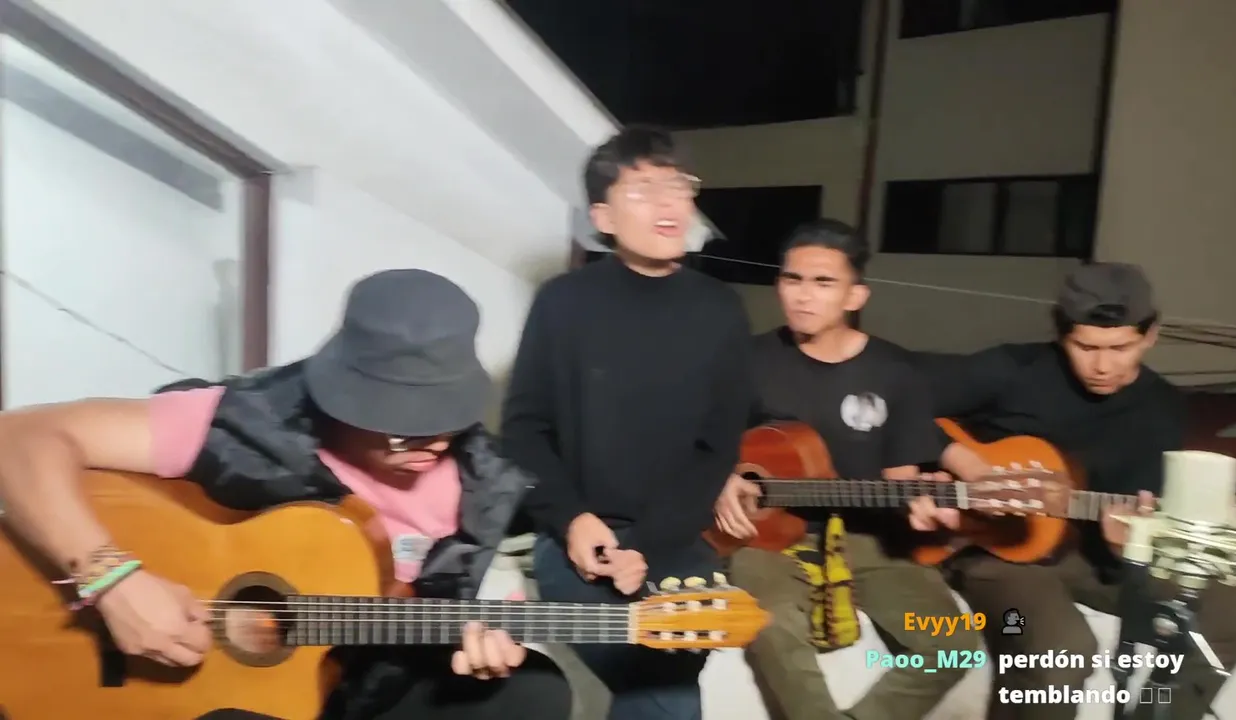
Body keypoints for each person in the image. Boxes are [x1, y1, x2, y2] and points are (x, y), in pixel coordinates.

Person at [0, 269, 572, 720]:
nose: (432, 443)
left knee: (532, 692)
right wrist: (113, 581)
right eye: (402, 426)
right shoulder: (246, 420)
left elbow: (440, 615)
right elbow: (16, 440)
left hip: (351, 682)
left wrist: (481, 646)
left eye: (445, 420)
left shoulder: (477, 482)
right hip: (210, 693)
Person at [911, 263, 1236, 720]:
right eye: (1086, 347)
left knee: (1230, 614)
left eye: (1121, 348)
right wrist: (965, 463)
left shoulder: (1162, 409)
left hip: (1091, 554)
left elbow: (1134, 520)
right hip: (997, 550)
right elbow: (893, 399)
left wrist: (1125, 544)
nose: (1102, 366)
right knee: (1062, 652)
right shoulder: (1011, 370)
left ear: (1151, 335)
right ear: (1061, 335)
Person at [501, 126, 752, 720]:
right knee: (662, 676)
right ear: (603, 217)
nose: (668, 204)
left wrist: (645, 546)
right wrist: (572, 520)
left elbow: (716, 449)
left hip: (676, 544)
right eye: (642, 190)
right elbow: (523, 431)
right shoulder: (563, 302)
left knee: (669, 661)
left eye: (678, 186)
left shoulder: (721, 309)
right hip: (574, 544)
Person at [712, 219, 986, 720]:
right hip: (764, 538)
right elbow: (702, 442)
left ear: (856, 295)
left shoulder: (895, 372)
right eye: (792, 279)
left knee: (956, 647)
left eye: (823, 283)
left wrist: (922, 510)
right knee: (770, 627)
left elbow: (902, 482)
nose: (803, 296)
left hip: (867, 537)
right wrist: (722, 478)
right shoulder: (748, 360)